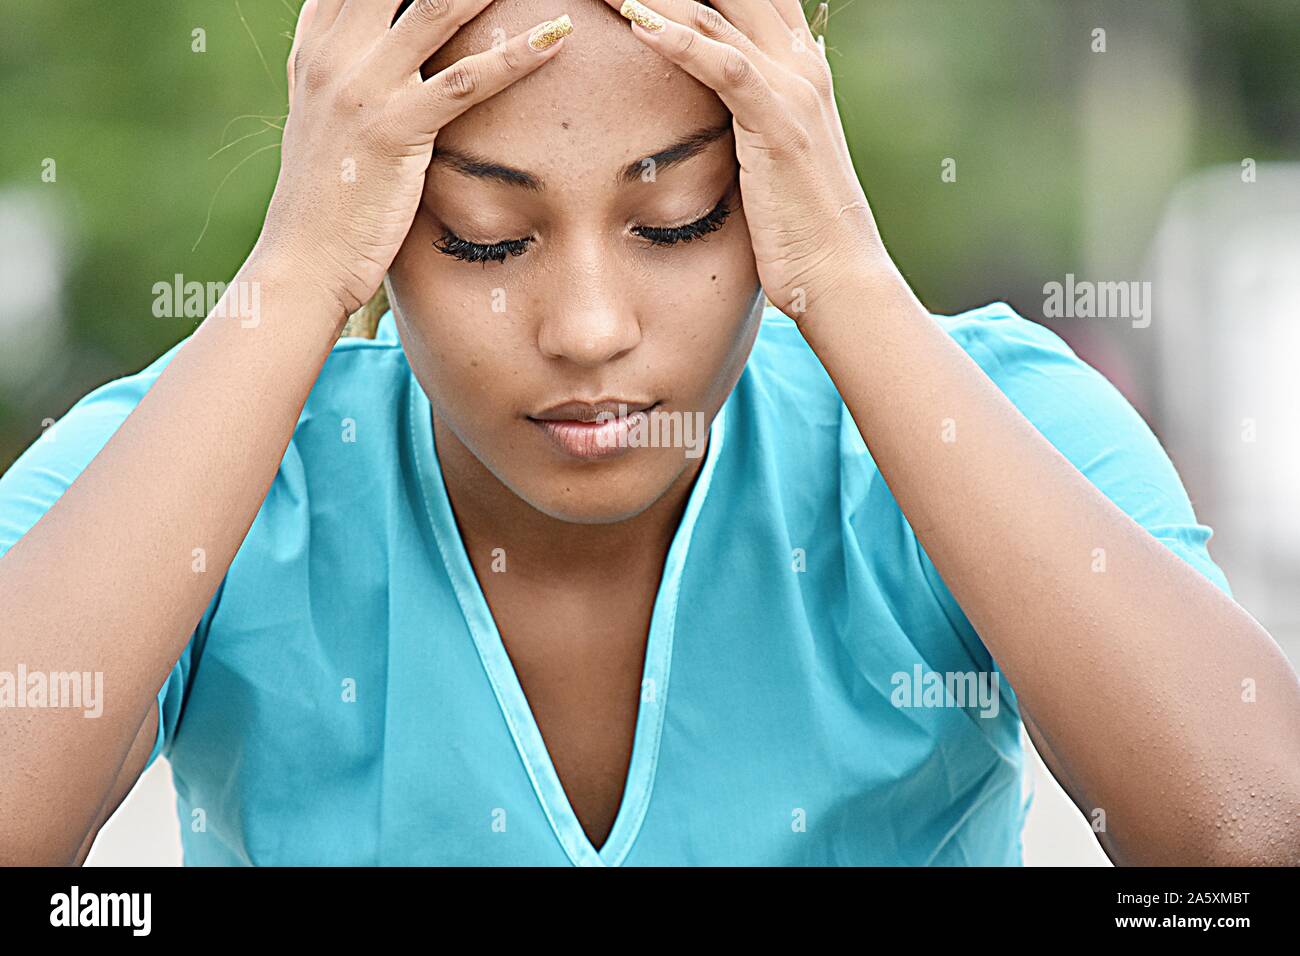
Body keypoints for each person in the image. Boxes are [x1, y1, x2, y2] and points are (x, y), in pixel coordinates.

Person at [1, 0, 1297, 867]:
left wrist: (848, 279)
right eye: (486, 236)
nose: (586, 326)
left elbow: (1247, 837)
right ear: (378, 222)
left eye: (677, 218)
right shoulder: (189, 473)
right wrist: (288, 281)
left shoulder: (992, 429)